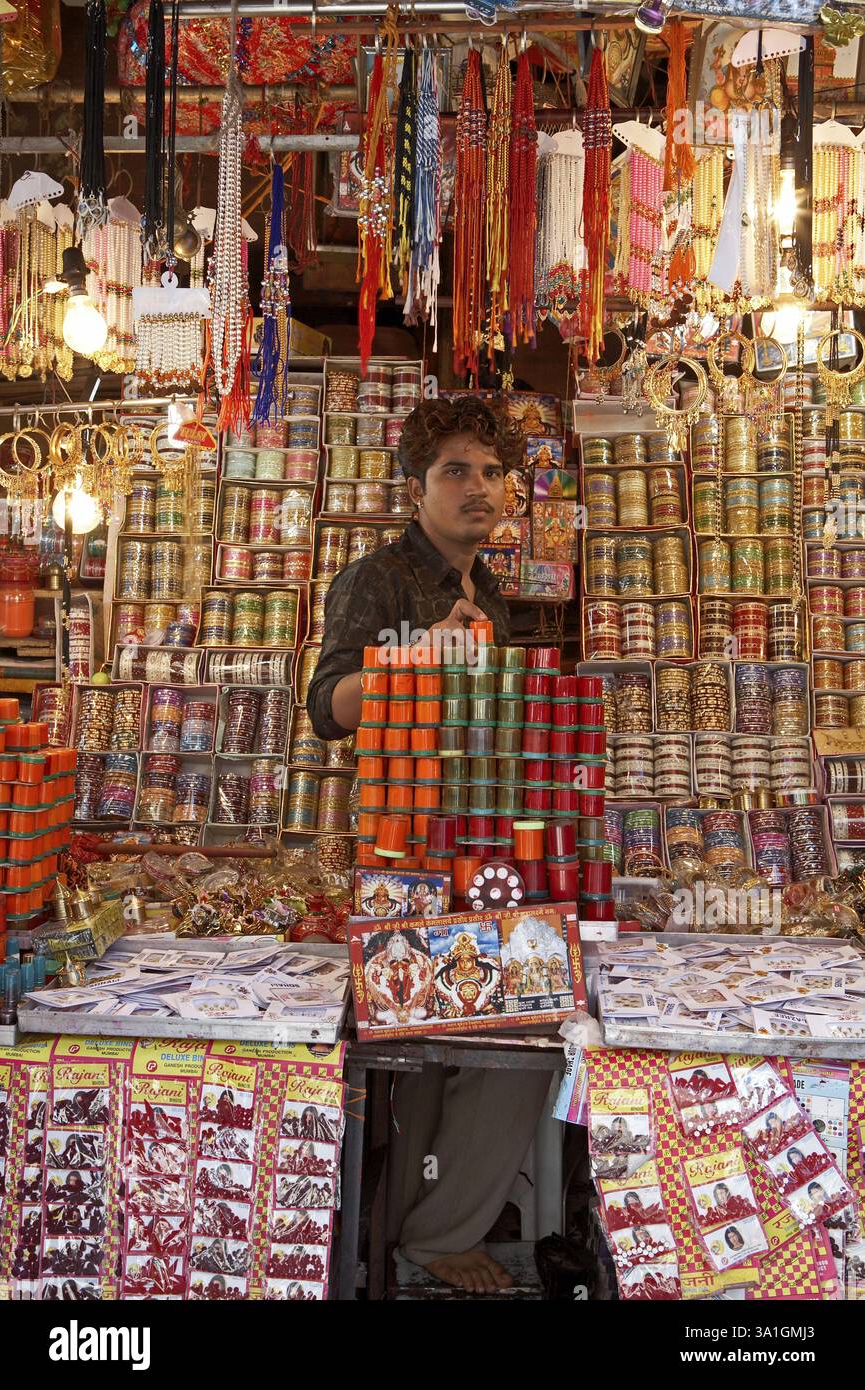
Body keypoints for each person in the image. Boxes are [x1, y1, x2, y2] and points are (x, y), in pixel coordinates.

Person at [308, 395, 552, 1296]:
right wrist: (415, 662)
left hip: (478, 848)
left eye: (492, 471)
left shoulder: (492, 596)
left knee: (505, 1033)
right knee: (419, 1052)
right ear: (416, 487)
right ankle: (426, 1234)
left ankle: (429, 1226)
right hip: (395, 851)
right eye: (456, 470)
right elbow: (325, 707)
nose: (479, 487)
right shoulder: (377, 581)